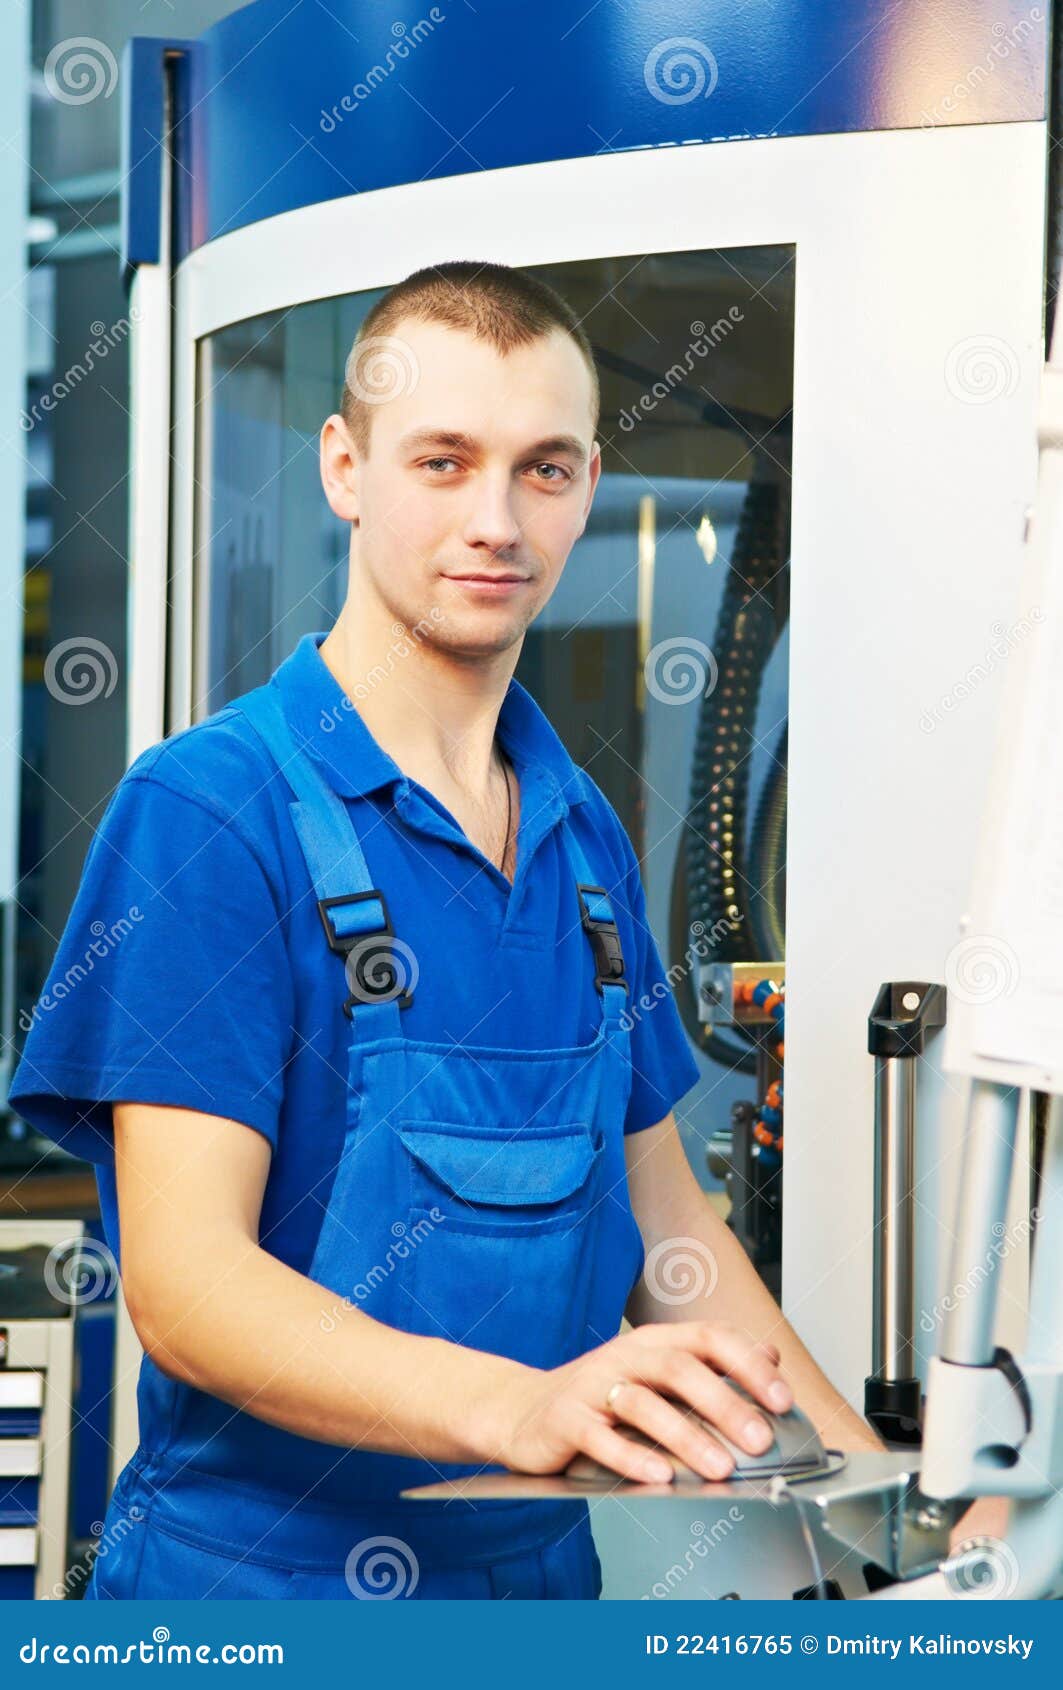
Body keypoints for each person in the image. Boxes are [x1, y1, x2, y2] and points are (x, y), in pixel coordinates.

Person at [11, 261, 884, 1601]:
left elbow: (670, 1236)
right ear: (346, 469)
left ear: (589, 483)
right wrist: (519, 1409)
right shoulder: (210, 811)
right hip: (262, 1598)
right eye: (442, 461)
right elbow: (188, 1287)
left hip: (533, 1591)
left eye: (541, 468)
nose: (496, 520)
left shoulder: (581, 834)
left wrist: (878, 1505)